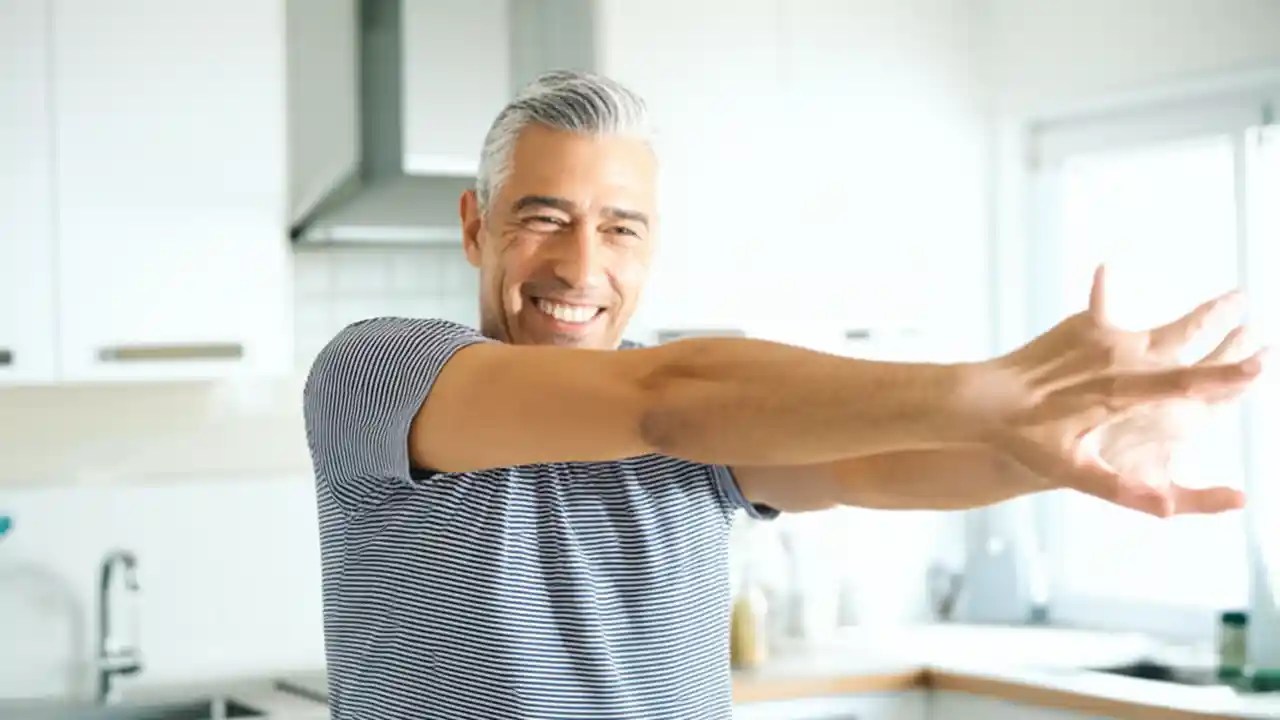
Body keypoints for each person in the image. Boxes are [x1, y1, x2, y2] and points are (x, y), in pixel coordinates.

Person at [302, 70, 1265, 719]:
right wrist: (995, 389)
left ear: (654, 244)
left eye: (620, 227)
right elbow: (660, 397)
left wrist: (1071, 443)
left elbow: (870, 460)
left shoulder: (717, 412)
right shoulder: (380, 372)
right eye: (543, 218)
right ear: (476, 227)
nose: (581, 265)